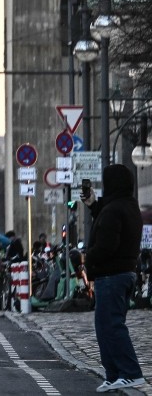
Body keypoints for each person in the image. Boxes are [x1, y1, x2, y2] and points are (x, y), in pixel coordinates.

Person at [84, 164, 145, 391]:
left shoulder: (113, 211)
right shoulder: (128, 206)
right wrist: (93, 205)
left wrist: (88, 258)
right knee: (105, 326)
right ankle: (113, 374)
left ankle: (130, 372)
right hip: (123, 273)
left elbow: (106, 246)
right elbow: (108, 214)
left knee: (111, 326)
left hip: (111, 275)